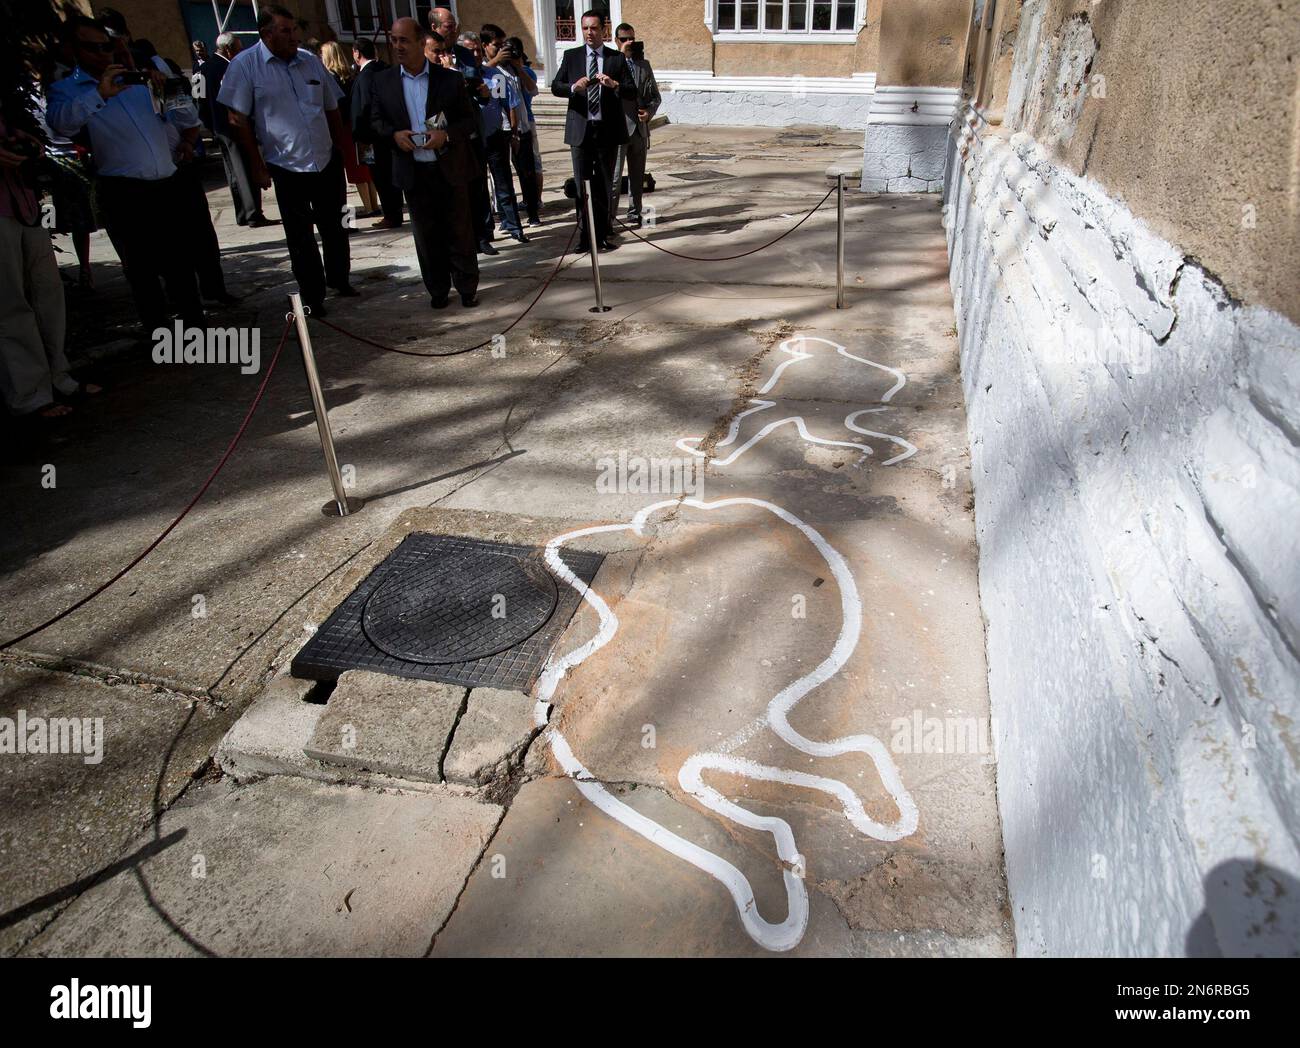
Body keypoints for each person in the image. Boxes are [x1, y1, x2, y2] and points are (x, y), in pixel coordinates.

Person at [47, 16, 206, 336]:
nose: (103, 54)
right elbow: (60, 126)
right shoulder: (68, 89)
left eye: (106, 46)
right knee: (141, 270)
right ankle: (160, 337)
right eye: (92, 48)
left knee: (181, 265)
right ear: (74, 50)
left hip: (166, 184)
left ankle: (196, 333)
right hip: (124, 190)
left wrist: (169, 89)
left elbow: (188, 119)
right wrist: (100, 94)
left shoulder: (140, 81)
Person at [217, 5, 356, 317]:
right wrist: (256, 165)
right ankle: (313, 294)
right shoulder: (245, 66)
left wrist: (339, 149)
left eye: (294, 30)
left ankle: (339, 278)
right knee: (301, 236)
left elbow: (332, 107)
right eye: (286, 31)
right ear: (267, 34)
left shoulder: (310, 62)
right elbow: (238, 120)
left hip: (324, 159)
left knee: (336, 225)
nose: (295, 37)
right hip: (285, 165)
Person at [367, 21, 478, 308]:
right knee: (427, 237)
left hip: (449, 169)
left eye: (404, 40)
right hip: (413, 171)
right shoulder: (383, 81)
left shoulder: (449, 80)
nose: (398, 46)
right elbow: (375, 122)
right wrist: (393, 135)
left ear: (420, 43)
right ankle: (438, 290)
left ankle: (467, 287)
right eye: (394, 40)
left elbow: (468, 121)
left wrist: (446, 135)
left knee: (460, 231)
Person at [1, 98, 100, 419]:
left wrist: (24, 139)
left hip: (25, 200)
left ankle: (59, 375)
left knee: (47, 291)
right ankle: (30, 393)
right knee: (12, 304)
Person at [551, 9, 636, 252]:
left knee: (602, 186)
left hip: (606, 132)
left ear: (603, 30)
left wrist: (614, 84)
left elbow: (631, 90)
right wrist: (572, 87)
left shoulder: (615, 59)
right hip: (581, 130)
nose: (589, 33)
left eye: (594, 28)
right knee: (581, 187)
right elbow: (556, 86)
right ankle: (584, 237)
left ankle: (601, 235)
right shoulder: (571, 56)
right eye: (585, 28)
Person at [197, 32, 271, 227]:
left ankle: (242, 212)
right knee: (244, 169)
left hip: (218, 127)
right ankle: (253, 213)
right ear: (228, 50)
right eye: (238, 49)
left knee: (232, 171)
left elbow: (199, 102)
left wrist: (209, 125)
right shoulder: (231, 68)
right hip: (234, 125)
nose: (240, 52)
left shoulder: (202, 70)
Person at [319, 40, 379, 219]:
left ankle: (369, 207)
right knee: (365, 166)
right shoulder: (352, 73)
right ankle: (373, 204)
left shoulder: (331, 77)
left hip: (344, 127)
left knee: (356, 168)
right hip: (355, 124)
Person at [479, 25, 528, 244]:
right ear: (484, 46)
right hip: (474, 137)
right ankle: (485, 231)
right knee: (480, 187)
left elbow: (511, 104)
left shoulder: (498, 74)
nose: (501, 50)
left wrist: (515, 133)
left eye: (502, 45)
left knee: (504, 182)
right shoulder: (471, 72)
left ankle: (514, 226)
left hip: (498, 134)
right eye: (496, 45)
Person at [351, 37, 403, 229]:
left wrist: (360, 136)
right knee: (392, 176)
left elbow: (364, 107)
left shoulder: (366, 76)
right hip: (391, 133)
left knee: (382, 177)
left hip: (375, 137)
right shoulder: (387, 69)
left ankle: (391, 214)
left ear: (357, 53)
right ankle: (394, 212)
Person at [612, 23, 659, 230]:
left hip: (639, 129)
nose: (629, 42)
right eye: (624, 39)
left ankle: (634, 213)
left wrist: (649, 112)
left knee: (637, 177)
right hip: (618, 129)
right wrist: (621, 56)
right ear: (616, 41)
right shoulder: (611, 63)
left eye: (631, 38)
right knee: (614, 179)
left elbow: (655, 96)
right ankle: (609, 218)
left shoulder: (643, 65)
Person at [501, 36, 541, 228]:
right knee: (505, 175)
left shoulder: (522, 71)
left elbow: (533, 90)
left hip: (524, 127)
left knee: (528, 173)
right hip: (504, 129)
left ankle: (533, 212)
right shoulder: (497, 72)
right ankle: (508, 218)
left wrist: (518, 67)